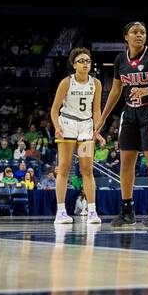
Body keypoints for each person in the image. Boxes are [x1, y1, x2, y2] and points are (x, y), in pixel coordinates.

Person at [95, 21, 148, 229]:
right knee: (126, 161)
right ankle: (127, 211)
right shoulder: (120, 59)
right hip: (129, 112)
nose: (139, 35)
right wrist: (104, 117)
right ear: (126, 37)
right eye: (134, 32)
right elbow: (115, 91)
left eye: (142, 32)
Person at [50, 47, 103, 227]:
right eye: (81, 61)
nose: (85, 64)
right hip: (68, 125)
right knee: (64, 168)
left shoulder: (96, 83)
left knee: (87, 169)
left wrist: (98, 130)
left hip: (86, 127)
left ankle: (92, 210)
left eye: (88, 61)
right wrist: (57, 127)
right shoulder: (66, 82)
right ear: (74, 65)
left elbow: (97, 111)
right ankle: (61, 211)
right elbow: (54, 109)